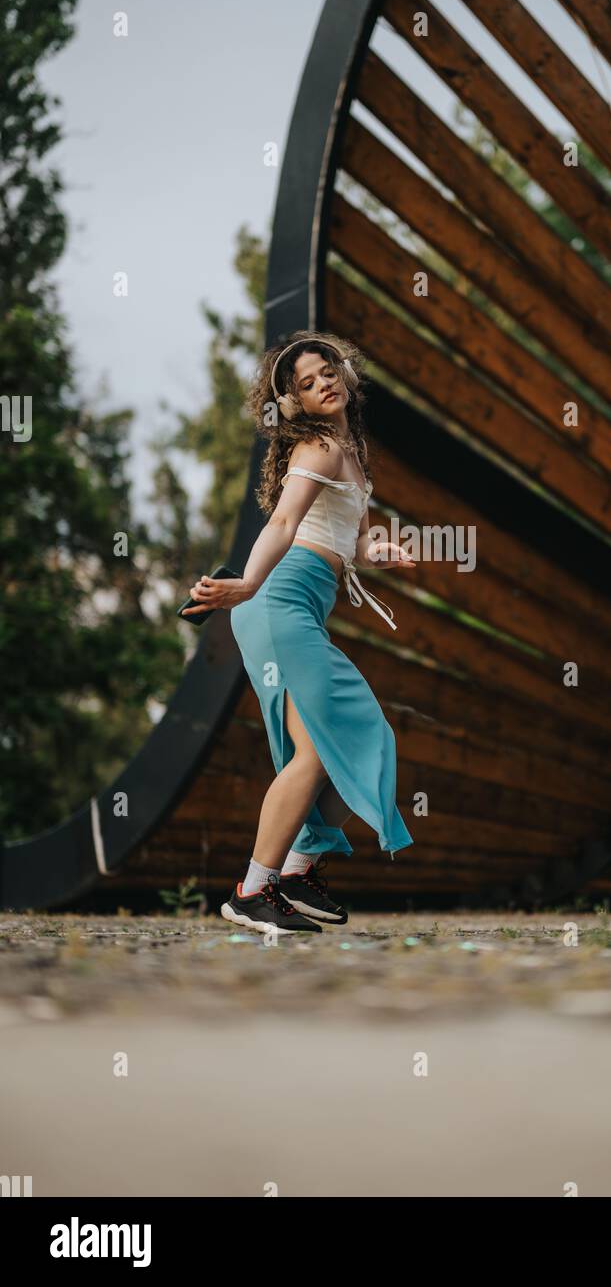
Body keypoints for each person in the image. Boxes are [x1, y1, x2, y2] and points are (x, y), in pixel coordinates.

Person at [182, 330, 416, 936]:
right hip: (279, 600)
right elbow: (284, 521)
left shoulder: (351, 452)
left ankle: (290, 874)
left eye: (327, 371)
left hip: (295, 607)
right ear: (296, 405)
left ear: (344, 372)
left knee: (345, 743)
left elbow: (356, 543)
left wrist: (386, 549)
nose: (323, 384)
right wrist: (249, 583)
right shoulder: (315, 448)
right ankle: (257, 887)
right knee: (330, 745)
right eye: (307, 384)